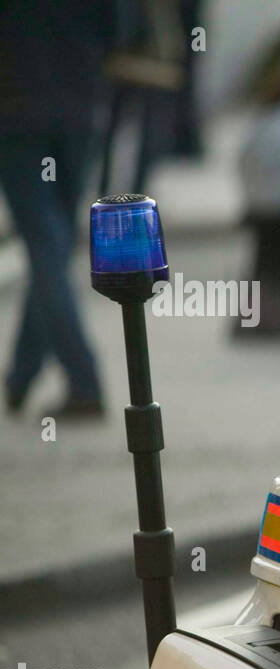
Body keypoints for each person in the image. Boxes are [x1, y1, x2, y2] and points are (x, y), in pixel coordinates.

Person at [0, 1, 119, 418]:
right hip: (79, 104)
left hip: (18, 112)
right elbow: (120, 27)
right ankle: (22, 373)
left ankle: (84, 380)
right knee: (54, 241)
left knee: (45, 242)